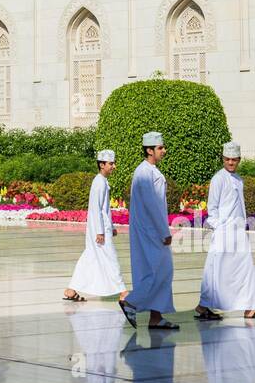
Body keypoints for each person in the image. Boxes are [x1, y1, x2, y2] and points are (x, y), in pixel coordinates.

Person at [195, 142, 255, 321]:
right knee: (216, 270)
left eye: (234, 160)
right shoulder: (218, 179)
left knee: (246, 268)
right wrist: (219, 228)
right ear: (223, 159)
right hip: (223, 233)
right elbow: (212, 208)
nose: (230, 163)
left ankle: (250, 308)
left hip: (238, 233)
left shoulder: (238, 179)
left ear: (239, 160)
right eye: (227, 159)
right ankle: (203, 306)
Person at [119, 132, 178, 330]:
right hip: (151, 231)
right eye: (160, 148)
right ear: (149, 150)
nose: (164, 151)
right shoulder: (145, 173)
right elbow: (153, 206)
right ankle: (131, 302)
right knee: (160, 272)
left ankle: (156, 316)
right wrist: (164, 231)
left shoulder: (148, 171)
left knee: (158, 271)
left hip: (151, 229)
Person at [63, 150, 127, 302]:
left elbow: (104, 209)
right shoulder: (99, 182)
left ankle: (71, 289)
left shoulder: (102, 181)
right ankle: (123, 291)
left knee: (90, 257)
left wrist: (110, 227)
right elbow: (96, 209)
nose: (114, 166)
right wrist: (100, 231)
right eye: (111, 164)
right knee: (111, 258)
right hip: (100, 230)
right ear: (101, 165)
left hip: (102, 228)